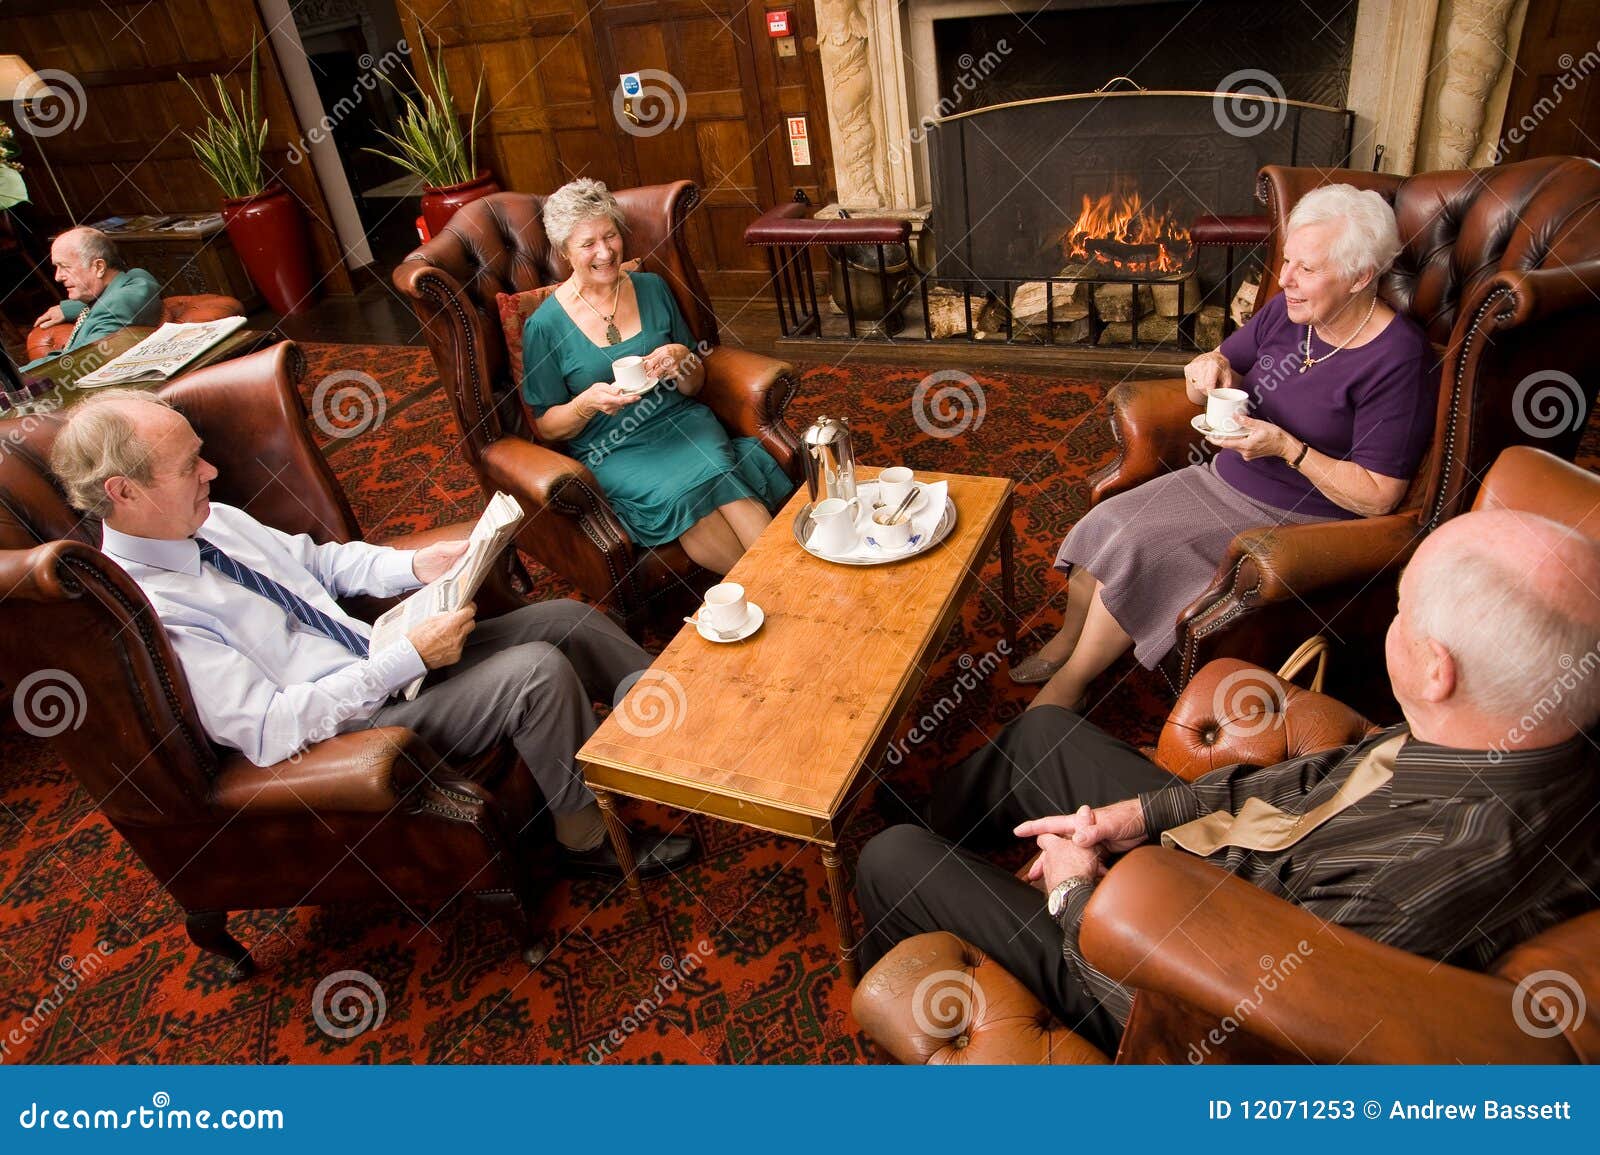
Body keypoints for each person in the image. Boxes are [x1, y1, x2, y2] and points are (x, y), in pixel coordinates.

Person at [858, 509, 1600, 1054]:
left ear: (1438, 668)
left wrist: (1075, 891)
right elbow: (1315, 783)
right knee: (1042, 736)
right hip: (1233, 870)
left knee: (888, 859)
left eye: (1403, 613)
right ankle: (937, 816)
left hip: (1176, 975)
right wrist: (1135, 817)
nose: (1391, 625)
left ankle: (898, 960)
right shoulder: (1506, 722)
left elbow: (1225, 1025)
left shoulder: (1421, 876)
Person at [49, 390, 695, 881]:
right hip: (355, 721)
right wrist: (404, 659)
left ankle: (682, 724)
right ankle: (586, 838)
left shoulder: (208, 522)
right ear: (122, 491)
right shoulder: (152, 611)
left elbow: (320, 563)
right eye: (189, 464)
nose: (211, 472)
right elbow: (272, 729)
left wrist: (419, 565)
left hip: (384, 652)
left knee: (566, 620)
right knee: (537, 672)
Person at [1011, 185, 1436, 709]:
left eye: (1307, 269)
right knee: (1108, 520)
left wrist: (1288, 448)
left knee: (1138, 547)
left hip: (1297, 518)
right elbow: (1214, 370)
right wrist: (1204, 370)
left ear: (1360, 277)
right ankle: (1066, 639)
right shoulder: (1288, 312)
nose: (1286, 280)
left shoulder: (1398, 359)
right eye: (1287, 262)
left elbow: (1378, 497)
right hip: (1222, 476)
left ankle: (1072, 680)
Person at [520, 178, 793, 574]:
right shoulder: (544, 326)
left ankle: (778, 590)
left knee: (720, 476)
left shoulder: (652, 288)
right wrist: (584, 404)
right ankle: (777, 594)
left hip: (682, 422)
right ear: (564, 251)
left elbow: (693, 385)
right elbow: (547, 426)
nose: (605, 251)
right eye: (588, 244)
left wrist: (684, 358)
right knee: (680, 496)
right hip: (613, 447)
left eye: (610, 236)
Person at [23, 227, 163, 371]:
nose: (58, 277)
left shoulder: (114, 307)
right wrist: (69, 308)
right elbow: (138, 279)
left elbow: (76, 363)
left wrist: (15, 379)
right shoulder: (137, 279)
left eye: (65, 267)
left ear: (99, 266)